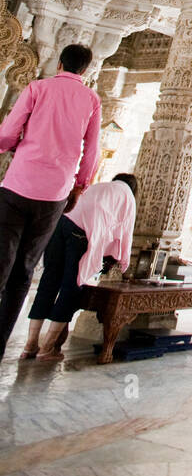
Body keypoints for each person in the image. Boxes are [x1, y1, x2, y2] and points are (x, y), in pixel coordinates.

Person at [0, 44, 101, 361]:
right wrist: (80, 185)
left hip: (17, 185)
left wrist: (14, 146)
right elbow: (92, 151)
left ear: (60, 64)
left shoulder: (38, 88)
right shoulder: (91, 100)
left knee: (1, 261)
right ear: (84, 71)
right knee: (24, 270)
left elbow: (7, 134)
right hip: (54, 195)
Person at [23, 173, 137, 360]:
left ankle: (30, 344)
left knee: (48, 282)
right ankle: (47, 348)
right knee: (71, 288)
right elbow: (125, 233)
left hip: (60, 223)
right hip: (80, 233)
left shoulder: (101, 186)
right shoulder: (128, 197)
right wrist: (122, 263)